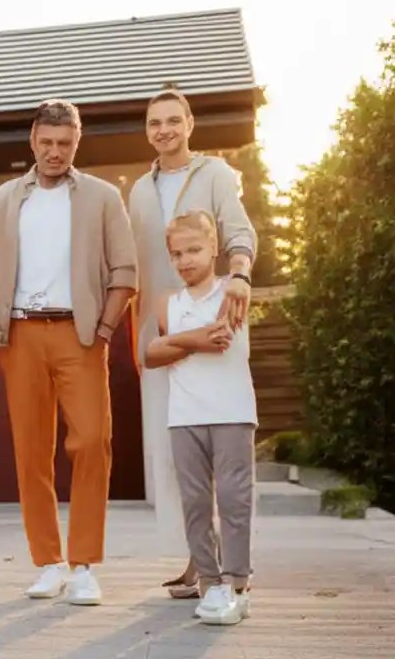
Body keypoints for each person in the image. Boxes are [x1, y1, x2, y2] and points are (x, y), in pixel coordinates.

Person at [0, 99, 137, 606]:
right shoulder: (3, 200)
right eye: (46, 143)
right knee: (32, 450)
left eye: (64, 144)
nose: (54, 152)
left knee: (91, 442)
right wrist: (0, 325)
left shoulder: (103, 198)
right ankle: (47, 561)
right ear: (33, 140)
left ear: (77, 142)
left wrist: (104, 329)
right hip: (22, 337)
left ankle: (84, 563)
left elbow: (125, 272)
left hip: (80, 335)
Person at [127, 89, 258, 599]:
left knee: (221, 453)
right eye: (154, 121)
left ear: (190, 123)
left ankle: (222, 567)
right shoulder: (139, 190)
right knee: (174, 450)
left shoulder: (217, 175)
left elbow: (240, 231)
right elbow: (133, 260)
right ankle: (197, 560)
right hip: (159, 320)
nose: (163, 130)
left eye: (172, 120)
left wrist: (241, 275)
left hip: (211, 308)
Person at [144, 209, 257, 626]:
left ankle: (238, 585)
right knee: (194, 503)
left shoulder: (233, 291)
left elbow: (221, 337)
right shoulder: (167, 302)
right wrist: (190, 338)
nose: (186, 259)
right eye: (177, 253)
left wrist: (175, 341)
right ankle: (209, 585)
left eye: (194, 249)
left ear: (213, 248)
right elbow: (150, 355)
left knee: (233, 500)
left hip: (232, 413)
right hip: (184, 417)